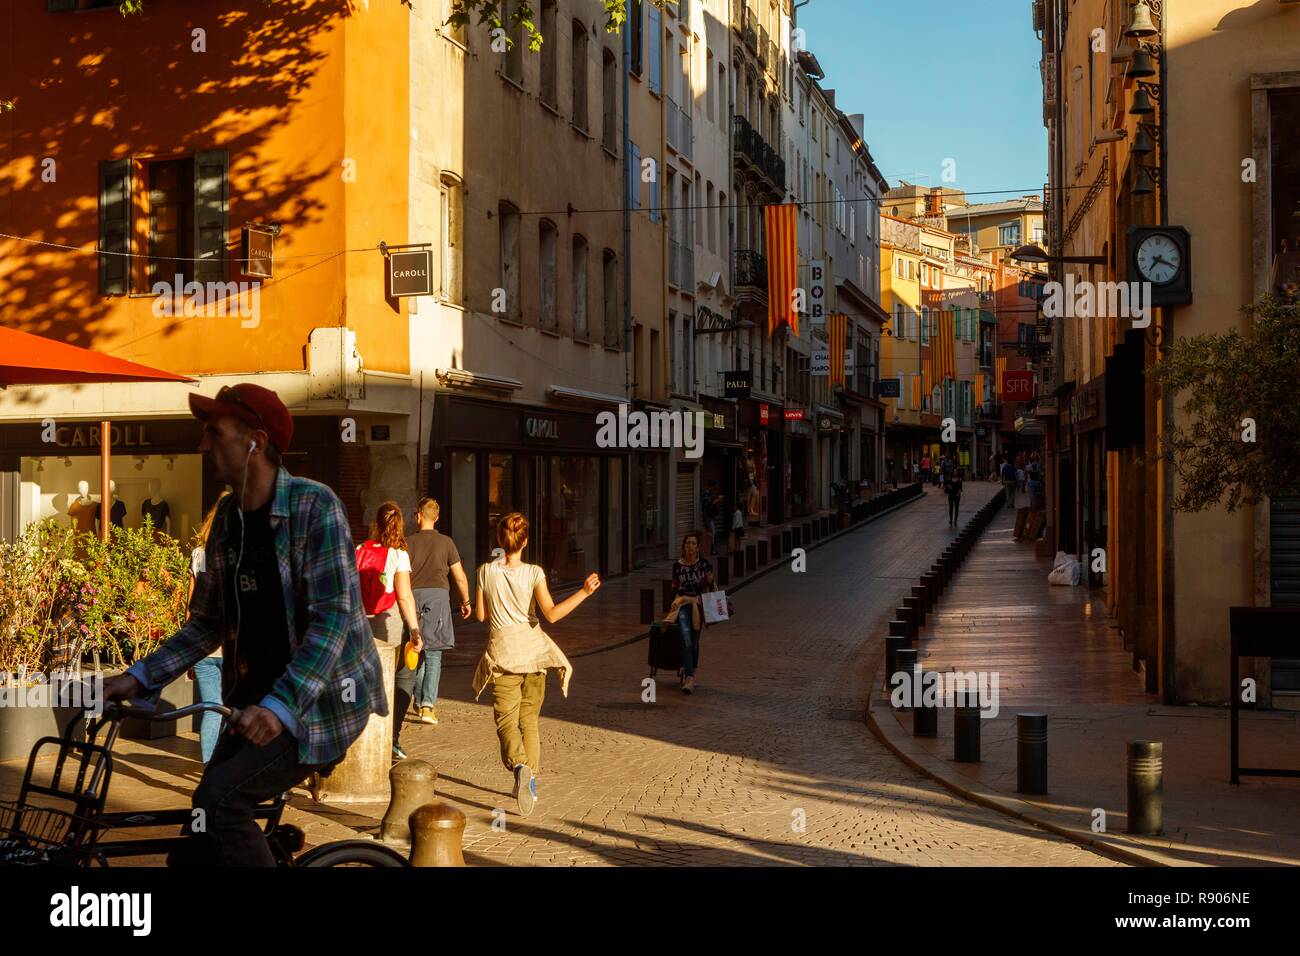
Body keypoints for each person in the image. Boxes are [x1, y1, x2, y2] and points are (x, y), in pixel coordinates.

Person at [100, 384, 386, 867]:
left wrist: (280, 706)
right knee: (197, 840)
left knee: (221, 801)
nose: (202, 446)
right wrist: (139, 676)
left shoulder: (315, 507)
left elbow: (333, 622)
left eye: (213, 433)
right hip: (253, 703)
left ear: (254, 441)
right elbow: (208, 622)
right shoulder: (230, 520)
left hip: (318, 705)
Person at [472, 512, 600, 817]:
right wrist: (584, 591)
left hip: (502, 655)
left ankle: (519, 766)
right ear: (525, 541)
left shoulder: (484, 572)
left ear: (499, 541)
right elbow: (552, 615)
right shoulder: (534, 573)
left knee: (506, 721)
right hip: (533, 654)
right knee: (528, 721)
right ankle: (529, 780)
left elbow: (481, 616)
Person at [394, 497, 470, 732]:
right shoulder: (446, 543)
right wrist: (466, 600)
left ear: (418, 516)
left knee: (416, 649)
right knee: (434, 654)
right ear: (436, 518)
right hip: (437, 598)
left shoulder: (407, 542)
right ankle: (427, 705)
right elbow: (459, 575)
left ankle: (418, 700)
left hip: (413, 596)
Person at [356, 501, 424, 760]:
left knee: (366, 680)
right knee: (402, 678)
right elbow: (404, 597)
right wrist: (415, 630)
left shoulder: (360, 549)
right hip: (389, 624)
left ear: (376, 524)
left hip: (361, 624)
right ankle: (391, 737)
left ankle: (362, 733)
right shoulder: (398, 554)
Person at [186, 491, 229, 765]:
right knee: (233, 711)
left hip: (203, 646)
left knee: (211, 710)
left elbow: (190, 605)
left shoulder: (198, 554)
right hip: (233, 648)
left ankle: (209, 769)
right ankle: (226, 770)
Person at [670, 532, 715, 695]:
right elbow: (674, 587)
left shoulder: (704, 564)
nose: (690, 546)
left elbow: (710, 587)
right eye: (687, 543)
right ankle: (689, 678)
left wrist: (710, 581)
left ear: (698, 548)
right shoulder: (677, 566)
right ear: (683, 546)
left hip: (699, 605)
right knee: (686, 640)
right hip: (683, 605)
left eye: (693, 543)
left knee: (694, 642)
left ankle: (692, 673)